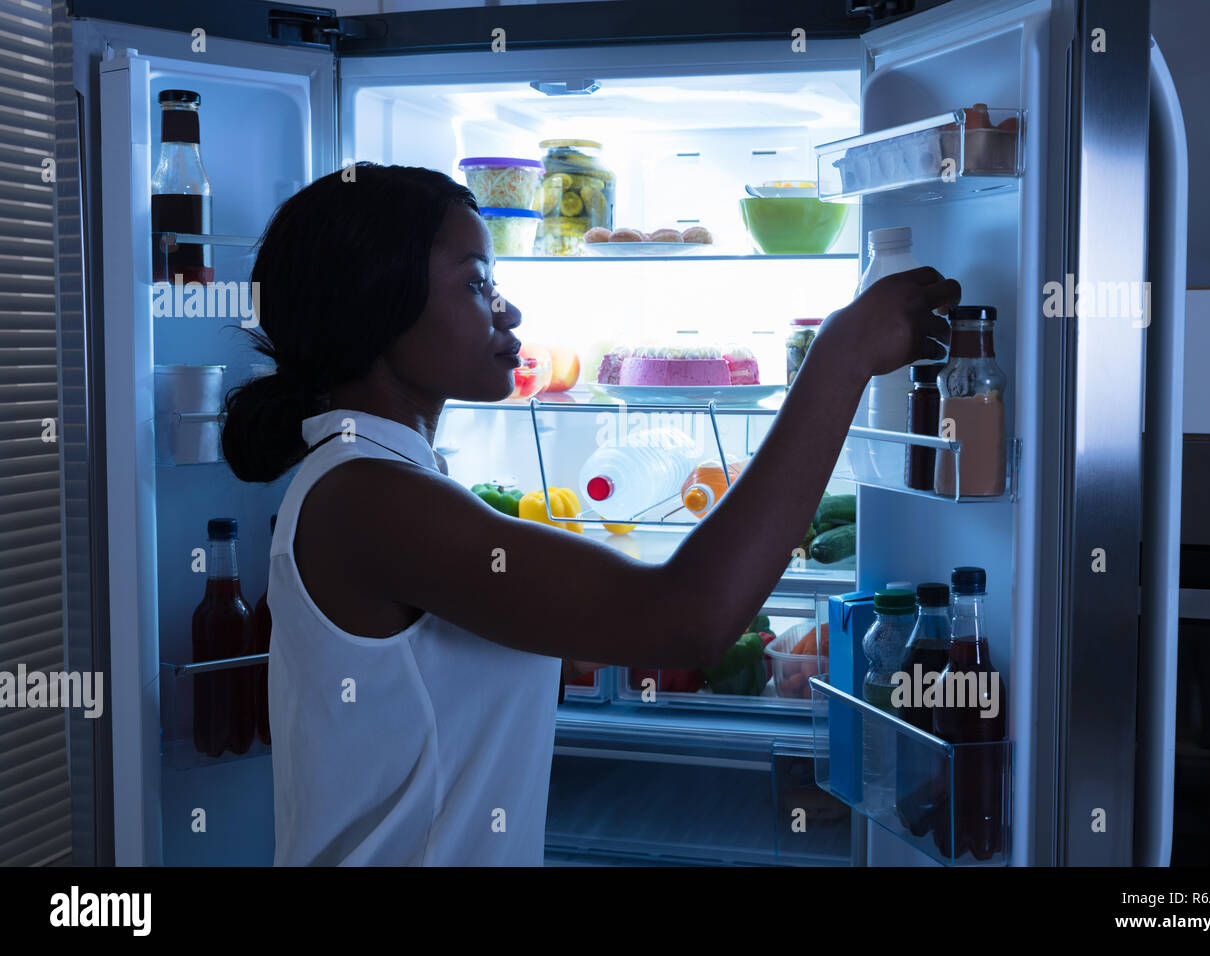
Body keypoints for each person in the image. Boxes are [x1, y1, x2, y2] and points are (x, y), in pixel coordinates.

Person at [221, 163, 958, 865]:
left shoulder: (383, 477)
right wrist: (841, 353)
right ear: (378, 308)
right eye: (477, 284)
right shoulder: (370, 497)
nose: (509, 310)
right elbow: (688, 619)